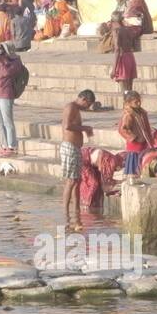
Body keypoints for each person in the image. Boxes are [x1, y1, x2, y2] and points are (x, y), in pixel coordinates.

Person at [60, 90, 97, 229]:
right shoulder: (70, 107)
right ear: (82, 99)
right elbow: (67, 126)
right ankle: (65, 215)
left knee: (77, 181)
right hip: (69, 147)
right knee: (70, 181)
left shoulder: (76, 109)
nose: (87, 108)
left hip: (75, 148)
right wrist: (85, 128)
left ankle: (76, 213)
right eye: (87, 104)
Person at [0, 42, 26, 156]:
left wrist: (1, 58)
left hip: (5, 94)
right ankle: (4, 146)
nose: (0, 53)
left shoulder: (16, 62)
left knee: (7, 122)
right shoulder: (1, 60)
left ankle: (12, 146)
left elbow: (6, 73)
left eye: (3, 50)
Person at [118, 90, 154, 178]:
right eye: (136, 102)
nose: (138, 103)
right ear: (128, 102)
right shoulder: (128, 115)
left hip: (144, 143)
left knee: (143, 165)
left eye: (139, 101)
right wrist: (134, 138)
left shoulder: (141, 112)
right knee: (134, 167)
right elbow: (122, 129)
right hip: (135, 145)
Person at [109, 12, 138, 93]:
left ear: (113, 21)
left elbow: (117, 49)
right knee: (130, 88)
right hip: (130, 57)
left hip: (122, 59)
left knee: (124, 90)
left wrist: (114, 69)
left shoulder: (116, 31)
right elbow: (134, 45)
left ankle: (127, 103)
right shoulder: (128, 29)